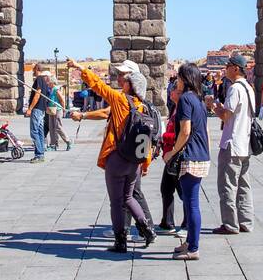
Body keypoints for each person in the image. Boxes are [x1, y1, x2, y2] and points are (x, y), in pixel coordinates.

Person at [70, 58, 156, 253]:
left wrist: (80, 68)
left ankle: (120, 242)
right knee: (129, 197)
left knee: (116, 202)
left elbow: (98, 86)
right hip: (135, 161)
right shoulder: (143, 107)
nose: (121, 82)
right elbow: (147, 138)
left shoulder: (119, 100)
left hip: (117, 158)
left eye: (126, 80)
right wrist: (146, 164)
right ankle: (147, 229)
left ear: (131, 85)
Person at [162, 62, 211, 260]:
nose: (177, 81)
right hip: (201, 155)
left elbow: (185, 131)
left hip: (190, 156)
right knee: (191, 202)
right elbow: (205, 131)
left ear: (186, 79)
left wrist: (172, 152)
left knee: (191, 204)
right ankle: (190, 242)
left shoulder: (184, 100)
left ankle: (193, 248)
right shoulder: (198, 100)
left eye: (179, 78)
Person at [209, 51, 254, 235]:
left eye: (227, 66)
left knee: (227, 185)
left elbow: (226, 116)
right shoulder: (249, 89)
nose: (225, 69)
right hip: (246, 144)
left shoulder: (235, 89)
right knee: (244, 186)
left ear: (236, 68)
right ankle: (246, 221)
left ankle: (230, 224)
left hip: (232, 144)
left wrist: (213, 105)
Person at [156, 80, 184, 235]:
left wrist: (165, 136)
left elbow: (183, 133)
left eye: (172, 91)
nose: (169, 93)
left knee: (183, 191)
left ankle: (187, 224)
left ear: (178, 93)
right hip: (169, 156)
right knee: (166, 188)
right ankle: (167, 223)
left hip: (176, 154)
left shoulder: (182, 109)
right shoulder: (174, 107)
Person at [24, 63, 51, 163]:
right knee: (40, 132)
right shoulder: (44, 80)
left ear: (37, 69)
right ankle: (41, 154)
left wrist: (30, 108)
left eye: (33, 69)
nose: (32, 71)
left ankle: (39, 154)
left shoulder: (39, 79)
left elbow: (37, 95)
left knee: (34, 132)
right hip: (42, 110)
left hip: (37, 109)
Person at [45, 73, 71, 152]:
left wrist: (63, 110)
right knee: (51, 127)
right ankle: (54, 145)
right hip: (51, 109)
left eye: (48, 82)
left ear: (52, 82)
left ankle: (68, 141)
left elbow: (62, 100)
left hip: (57, 110)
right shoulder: (51, 90)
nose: (47, 83)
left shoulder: (56, 89)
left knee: (58, 126)